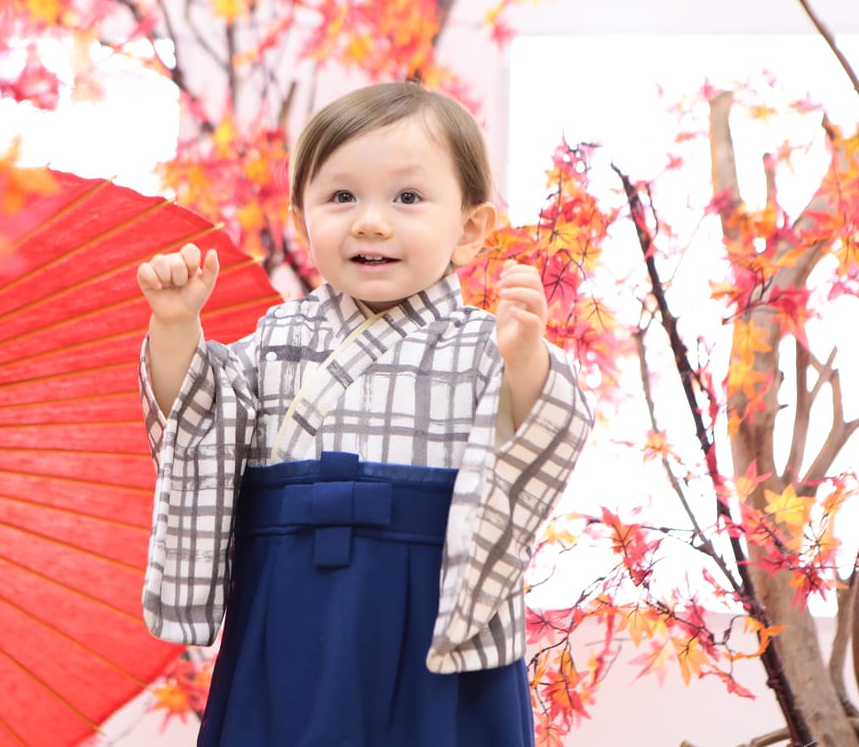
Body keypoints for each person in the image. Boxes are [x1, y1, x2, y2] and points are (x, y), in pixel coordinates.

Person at [136, 81, 592, 746]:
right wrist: (177, 328)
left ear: (469, 228)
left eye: (407, 198)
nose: (370, 222)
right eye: (341, 197)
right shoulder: (277, 338)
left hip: (431, 593)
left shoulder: (480, 342)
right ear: (301, 222)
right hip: (287, 597)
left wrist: (524, 360)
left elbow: (539, 430)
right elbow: (195, 421)